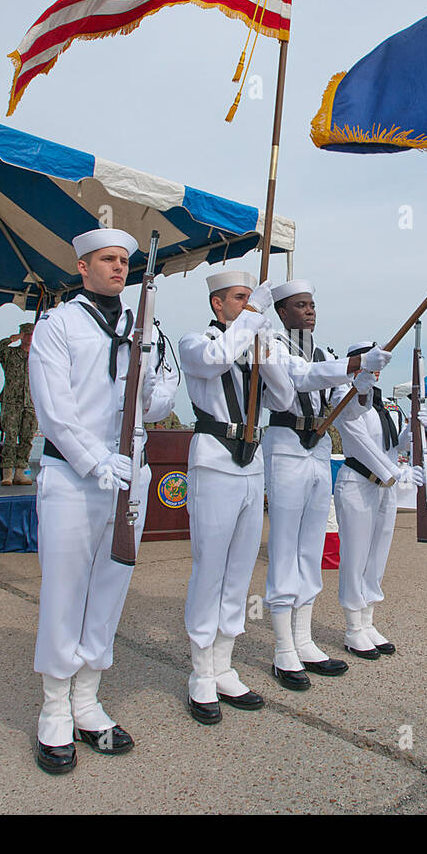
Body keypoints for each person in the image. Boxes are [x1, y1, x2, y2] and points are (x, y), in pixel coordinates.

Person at [28, 228, 178, 775]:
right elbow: (54, 409)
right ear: (83, 266)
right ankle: (53, 710)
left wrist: (154, 369)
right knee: (65, 591)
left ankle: (87, 702)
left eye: (125, 261)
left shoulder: (144, 325)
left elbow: (155, 404)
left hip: (129, 475)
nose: (120, 268)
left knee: (110, 589)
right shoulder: (58, 325)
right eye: (109, 260)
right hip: (74, 475)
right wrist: (96, 460)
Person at [179, 270, 294, 723]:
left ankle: (224, 665)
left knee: (240, 569)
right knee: (210, 566)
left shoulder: (251, 343)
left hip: (252, 463)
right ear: (217, 305)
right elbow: (214, 361)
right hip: (214, 459)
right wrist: (251, 320)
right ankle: (200, 674)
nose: (249, 305)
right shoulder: (196, 341)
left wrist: (266, 353)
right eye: (240, 299)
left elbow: (282, 400)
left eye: (251, 298)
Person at [261, 280, 386, 690]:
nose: (310, 311)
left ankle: (304, 639)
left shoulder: (323, 350)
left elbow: (337, 398)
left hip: (317, 445)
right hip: (285, 442)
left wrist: (360, 385)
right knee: (285, 545)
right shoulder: (271, 342)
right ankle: (283, 649)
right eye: (300, 305)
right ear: (281, 311)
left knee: (311, 545)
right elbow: (298, 378)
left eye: (312, 304)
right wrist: (351, 366)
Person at [334, 344, 426, 659]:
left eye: (377, 366)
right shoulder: (345, 399)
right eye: (370, 364)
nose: (375, 371)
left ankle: (368, 621)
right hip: (358, 484)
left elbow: (389, 445)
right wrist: (397, 472)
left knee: (377, 557)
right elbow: (360, 444)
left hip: (384, 488)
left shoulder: (381, 404)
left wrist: (411, 432)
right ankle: (352, 628)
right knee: (356, 557)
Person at [0, 323, 37, 485]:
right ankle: (7, 473)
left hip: (31, 403)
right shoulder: (10, 353)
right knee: (10, 437)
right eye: (26, 334)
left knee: (27, 438)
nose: (29, 337)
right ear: (21, 335)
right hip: (11, 402)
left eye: (31, 334)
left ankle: (20, 473)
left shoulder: (39, 356)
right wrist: (10, 339)